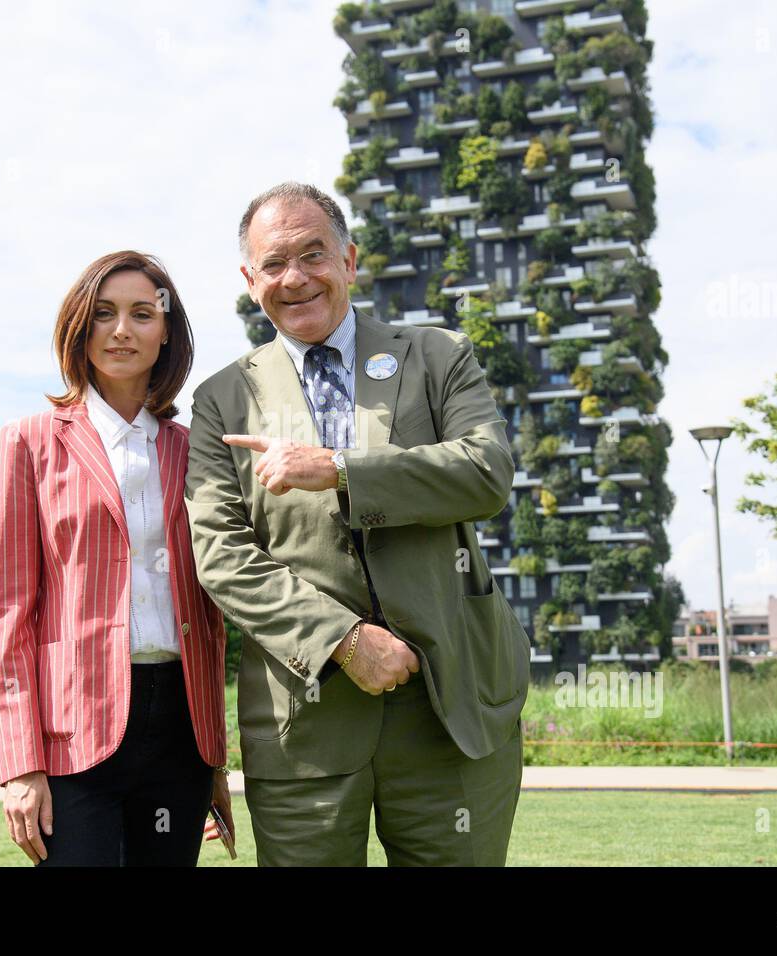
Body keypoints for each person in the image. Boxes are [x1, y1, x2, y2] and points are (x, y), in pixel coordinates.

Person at [184, 182, 531, 866]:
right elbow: (221, 556)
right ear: (250, 281)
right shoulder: (221, 400)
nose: (296, 278)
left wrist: (342, 468)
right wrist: (341, 640)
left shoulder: (438, 357)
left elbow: (487, 471)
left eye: (313, 255)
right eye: (275, 264)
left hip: (452, 706)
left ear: (350, 259)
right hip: (305, 720)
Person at [0, 250, 232, 865]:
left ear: (165, 332)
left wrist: (215, 759)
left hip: (181, 727)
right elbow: (9, 614)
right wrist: (18, 764)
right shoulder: (29, 443)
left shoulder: (195, 448)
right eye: (104, 313)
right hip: (74, 730)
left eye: (142, 313)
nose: (122, 329)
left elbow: (212, 605)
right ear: (79, 326)